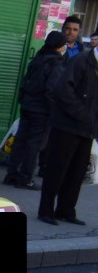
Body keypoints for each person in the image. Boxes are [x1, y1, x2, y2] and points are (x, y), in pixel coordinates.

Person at [37, 40, 98, 226]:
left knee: (77, 173)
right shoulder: (81, 60)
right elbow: (64, 91)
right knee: (57, 169)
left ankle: (66, 210)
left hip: (87, 129)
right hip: (67, 125)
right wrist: (83, 114)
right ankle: (46, 210)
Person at [4, 31, 68, 189]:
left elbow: (25, 82)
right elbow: (51, 90)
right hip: (42, 110)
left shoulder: (38, 59)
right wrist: (54, 112)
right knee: (35, 144)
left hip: (27, 105)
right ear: (59, 46)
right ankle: (25, 177)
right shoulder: (56, 64)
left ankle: (11, 174)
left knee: (21, 140)